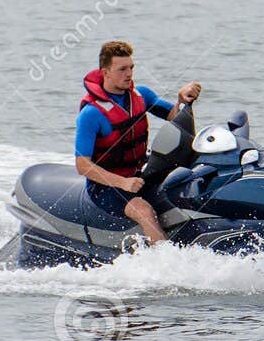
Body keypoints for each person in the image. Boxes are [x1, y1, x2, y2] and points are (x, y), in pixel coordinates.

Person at [74, 40, 201, 244]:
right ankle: (164, 262)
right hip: (106, 186)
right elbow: (82, 165)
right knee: (144, 211)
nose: (129, 73)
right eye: (122, 69)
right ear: (105, 72)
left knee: (182, 192)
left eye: (131, 67)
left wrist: (181, 100)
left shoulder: (142, 95)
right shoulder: (91, 114)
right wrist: (123, 182)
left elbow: (172, 116)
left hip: (139, 174)